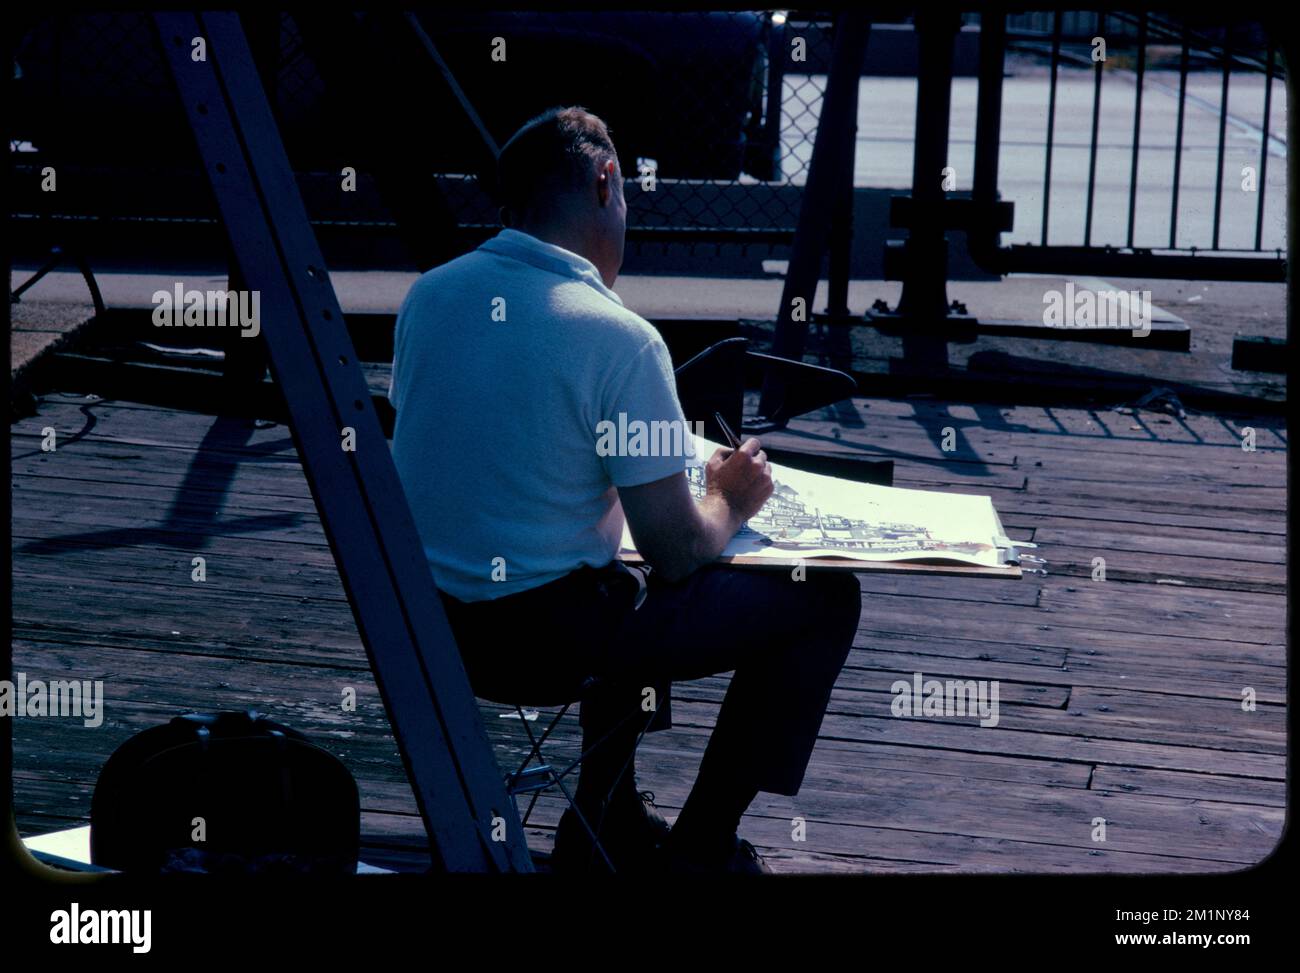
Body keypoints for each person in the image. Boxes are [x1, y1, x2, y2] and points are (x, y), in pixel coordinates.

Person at [389, 106, 861, 874]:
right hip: (544, 646)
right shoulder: (622, 338)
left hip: (428, 628)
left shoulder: (429, 298)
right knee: (825, 599)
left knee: (608, 574)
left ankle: (604, 816)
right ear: (607, 181)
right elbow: (679, 552)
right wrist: (730, 498)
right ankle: (701, 846)